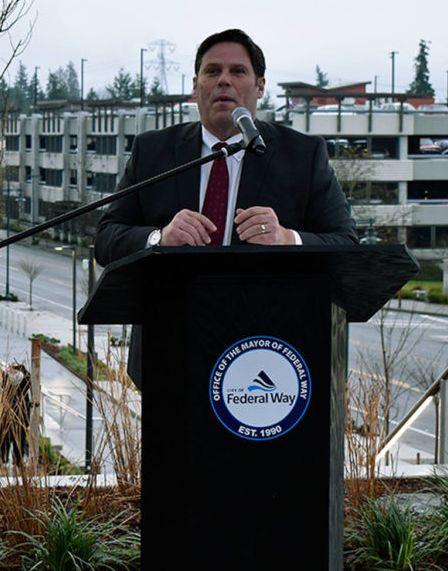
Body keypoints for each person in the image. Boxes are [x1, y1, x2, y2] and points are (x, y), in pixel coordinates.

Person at [94, 29, 358, 386]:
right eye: (212, 71)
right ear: (195, 86)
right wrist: (159, 237)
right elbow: (106, 239)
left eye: (238, 71)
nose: (224, 81)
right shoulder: (152, 151)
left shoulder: (303, 155)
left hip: (272, 363)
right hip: (170, 354)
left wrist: (287, 239)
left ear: (260, 86)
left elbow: (346, 245)